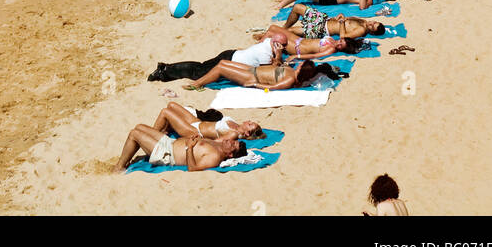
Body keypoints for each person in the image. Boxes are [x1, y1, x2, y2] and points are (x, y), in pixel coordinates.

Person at [148, 35, 284, 85]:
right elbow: (268, 70)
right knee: (198, 74)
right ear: (276, 45)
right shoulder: (266, 54)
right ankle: (164, 71)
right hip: (230, 59)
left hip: (231, 54)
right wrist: (278, 55)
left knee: (200, 67)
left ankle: (165, 69)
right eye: (281, 45)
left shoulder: (267, 42)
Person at [113, 123, 244, 172]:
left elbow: (192, 168)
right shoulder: (219, 143)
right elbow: (234, 133)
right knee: (140, 127)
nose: (231, 142)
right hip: (170, 142)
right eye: (234, 141)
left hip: (167, 154)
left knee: (134, 134)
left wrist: (190, 148)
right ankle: (128, 156)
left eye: (233, 145)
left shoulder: (215, 157)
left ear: (230, 155)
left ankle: (119, 167)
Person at [181, 56, 349, 93]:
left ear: (301, 71)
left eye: (300, 66)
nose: (298, 65)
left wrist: (254, 85)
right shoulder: (293, 72)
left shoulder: (291, 78)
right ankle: (199, 82)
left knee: (220, 68)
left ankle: (197, 84)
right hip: (252, 69)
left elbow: (273, 87)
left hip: (252, 77)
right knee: (223, 63)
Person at [151, 101, 264, 143]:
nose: (248, 121)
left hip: (195, 131)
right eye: (251, 121)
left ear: (248, 133)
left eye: (250, 124)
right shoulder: (236, 124)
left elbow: (217, 142)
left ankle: (151, 137)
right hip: (197, 122)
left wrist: (200, 140)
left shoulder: (233, 134)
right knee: (171, 105)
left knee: (165, 112)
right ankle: (164, 130)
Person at [279, 6, 385, 39]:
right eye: (374, 22)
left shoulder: (361, 30)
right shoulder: (363, 21)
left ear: (371, 32)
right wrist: (340, 17)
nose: (370, 23)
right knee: (297, 7)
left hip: (322, 30)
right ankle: (282, 28)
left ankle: (274, 33)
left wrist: (342, 22)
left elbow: (343, 37)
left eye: (372, 27)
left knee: (291, 31)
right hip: (323, 19)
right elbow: (344, 19)